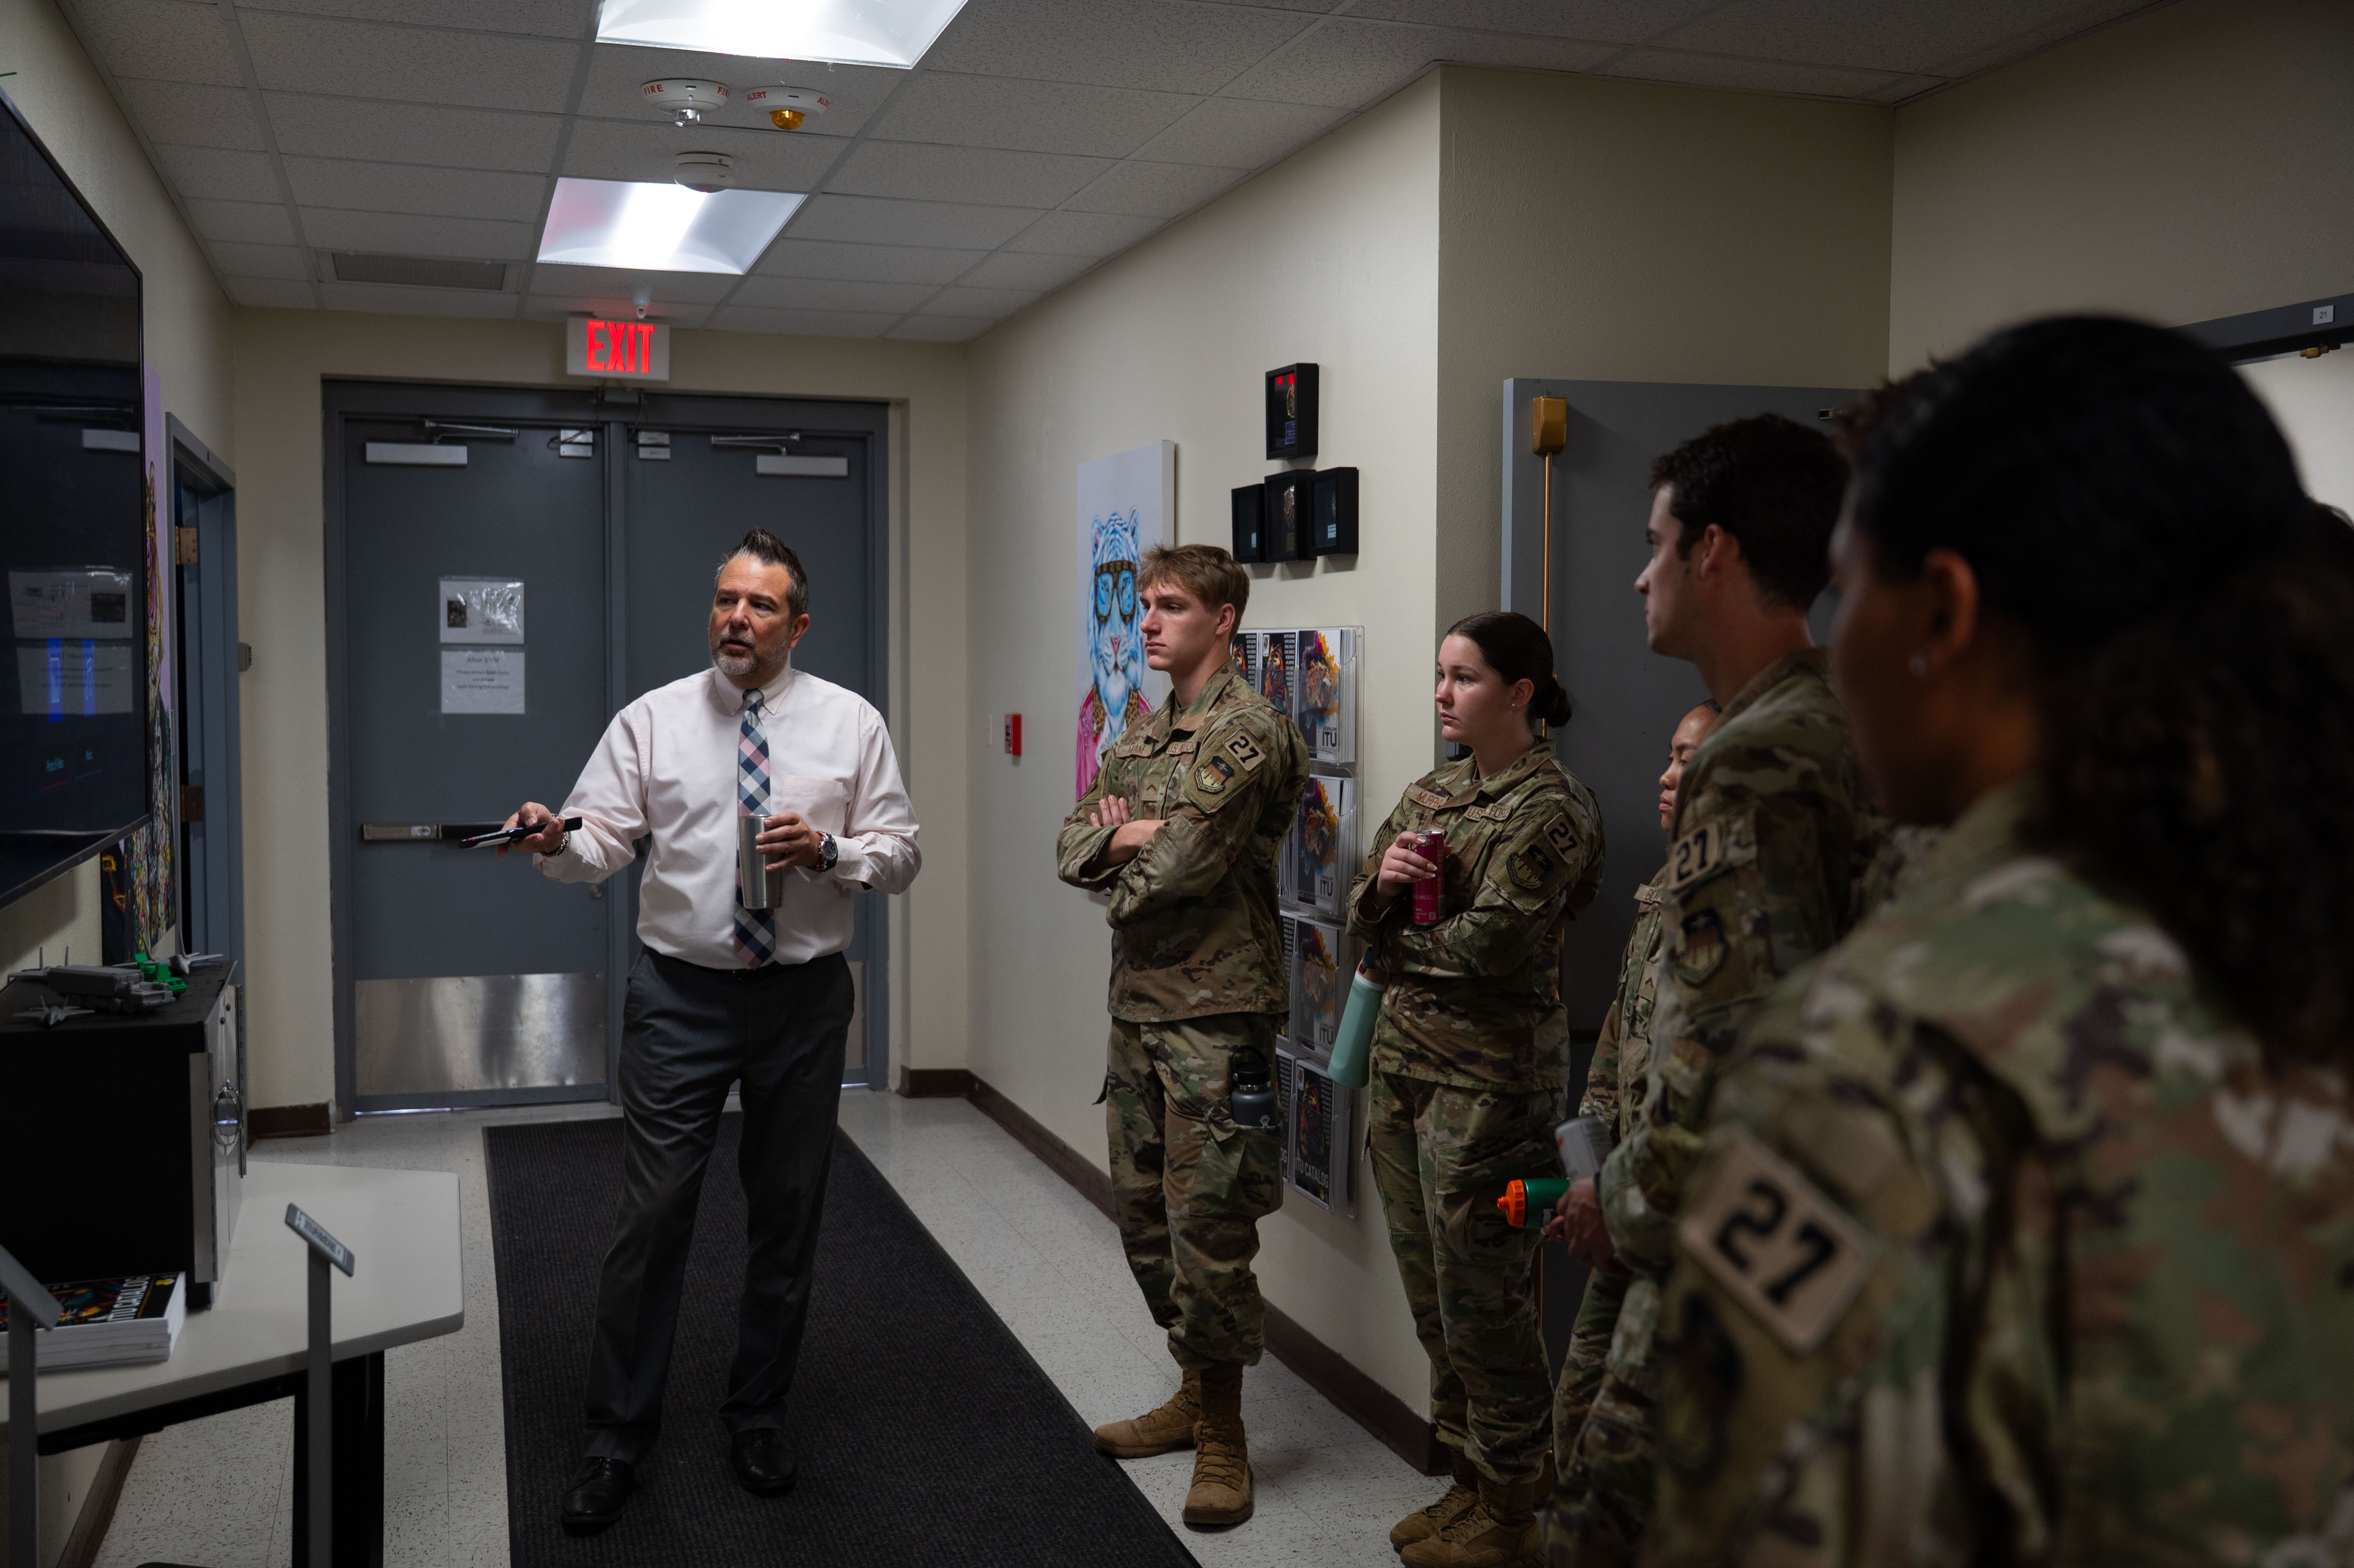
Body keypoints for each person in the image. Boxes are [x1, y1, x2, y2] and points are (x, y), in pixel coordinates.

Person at [1650, 318, 2354, 1564]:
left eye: (1849, 586)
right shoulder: (2282, 924)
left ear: (1943, 615)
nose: (1835, 637)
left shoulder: (1891, 1054)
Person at [500, 528, 921, 1530]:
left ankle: (759, 1411)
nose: (737, 617)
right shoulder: (652, 720)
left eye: (761, 604)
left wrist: (830, 850)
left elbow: (901, 854)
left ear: (799, 623)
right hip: (682, 996)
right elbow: (600, 836)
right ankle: (615, 1437)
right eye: (727, 599)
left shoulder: (850, 724)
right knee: (653, 1218)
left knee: (788, 1215)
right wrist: (558, 838)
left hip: (802, 1002)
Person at [1547, 413, 1874, 1568]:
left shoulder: (1763, 753)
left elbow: (1733, 1050)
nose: (1639, 572)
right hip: (1833, 1245)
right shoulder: (1848, 720)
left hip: (1730, 1248)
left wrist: (1619, 1205)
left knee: (1603, 1518)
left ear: (1715, 552)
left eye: (1655, 542)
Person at [1054, 543, 1307, 1529]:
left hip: (1217, 1018)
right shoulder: (1144, 736)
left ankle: (1226, 1437)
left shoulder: (1247, 734)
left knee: (1210, 1234)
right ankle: (1194, 1389)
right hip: (1138, 1015)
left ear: (1224, 619)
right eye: (1146, 605)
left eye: (1170, 606)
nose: (1149, 622)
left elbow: (1185, 866)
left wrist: (1127, 854)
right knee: (1143, 1222)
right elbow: (1073, 840)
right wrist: (1120, 836)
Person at [1352, 611, 1606, 1568]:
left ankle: (1511, 1507)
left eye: (1463, 678)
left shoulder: (1554, 808)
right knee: (1434, 1297)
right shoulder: (1435, 790)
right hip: (1404, 1068)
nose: (1442, 694)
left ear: (1521, 693)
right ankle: (1469, 1480)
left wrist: (1392, 936)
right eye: (1441, 675)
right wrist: (1383, 886)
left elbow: (1494, 946)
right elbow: (1355, 906)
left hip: (1492, 1088)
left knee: (1487, 1299)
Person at [1542, 701, 1716, 1487]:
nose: (1666, 775)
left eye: (1689, 760)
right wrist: (1588, 1174)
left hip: (1684, 1223)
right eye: (1670, 755)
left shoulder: (1747, 919)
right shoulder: (1661, 894)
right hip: (1620, 1199)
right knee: (1577, 1412)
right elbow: (1615, 1046)